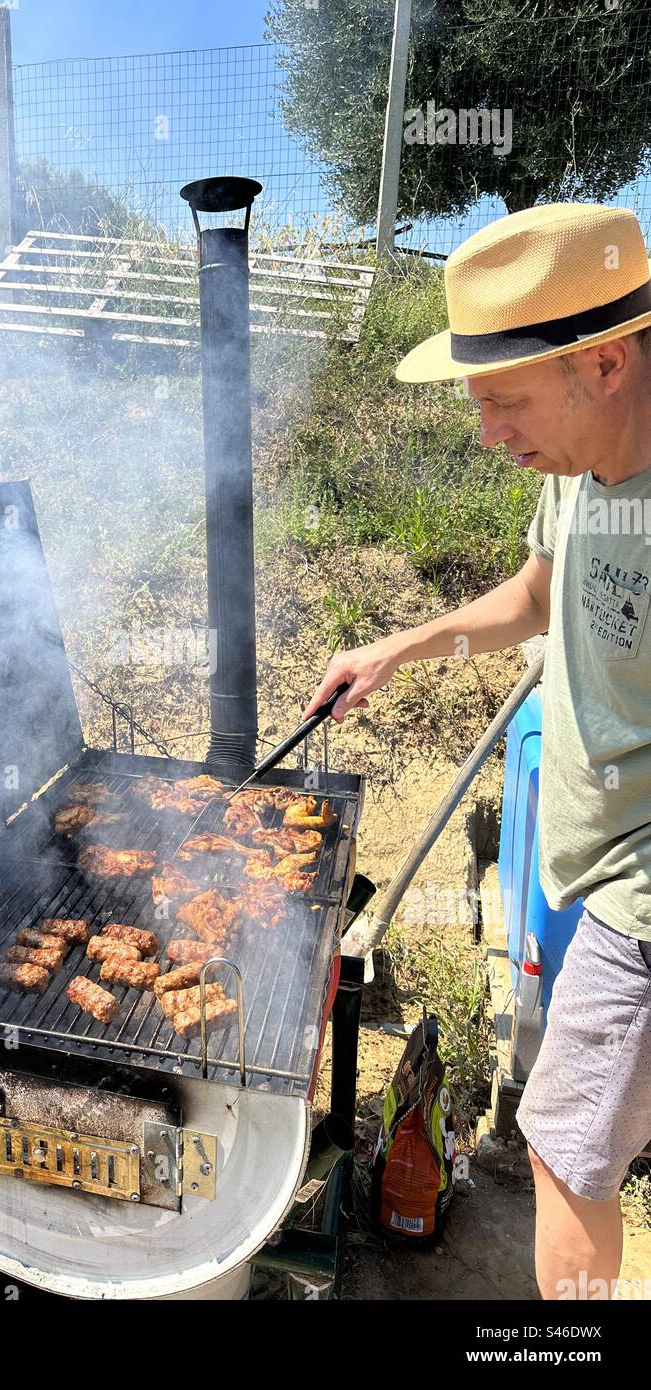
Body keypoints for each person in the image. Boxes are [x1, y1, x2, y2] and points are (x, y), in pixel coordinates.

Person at [305, 203, 651, 1300]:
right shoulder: (578, 461)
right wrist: (401, 646)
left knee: (564, 1151)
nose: (489, 431)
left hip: (640, 887)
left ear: (603, 362)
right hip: (580, 857)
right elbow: (542, 593)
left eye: (504, 399)